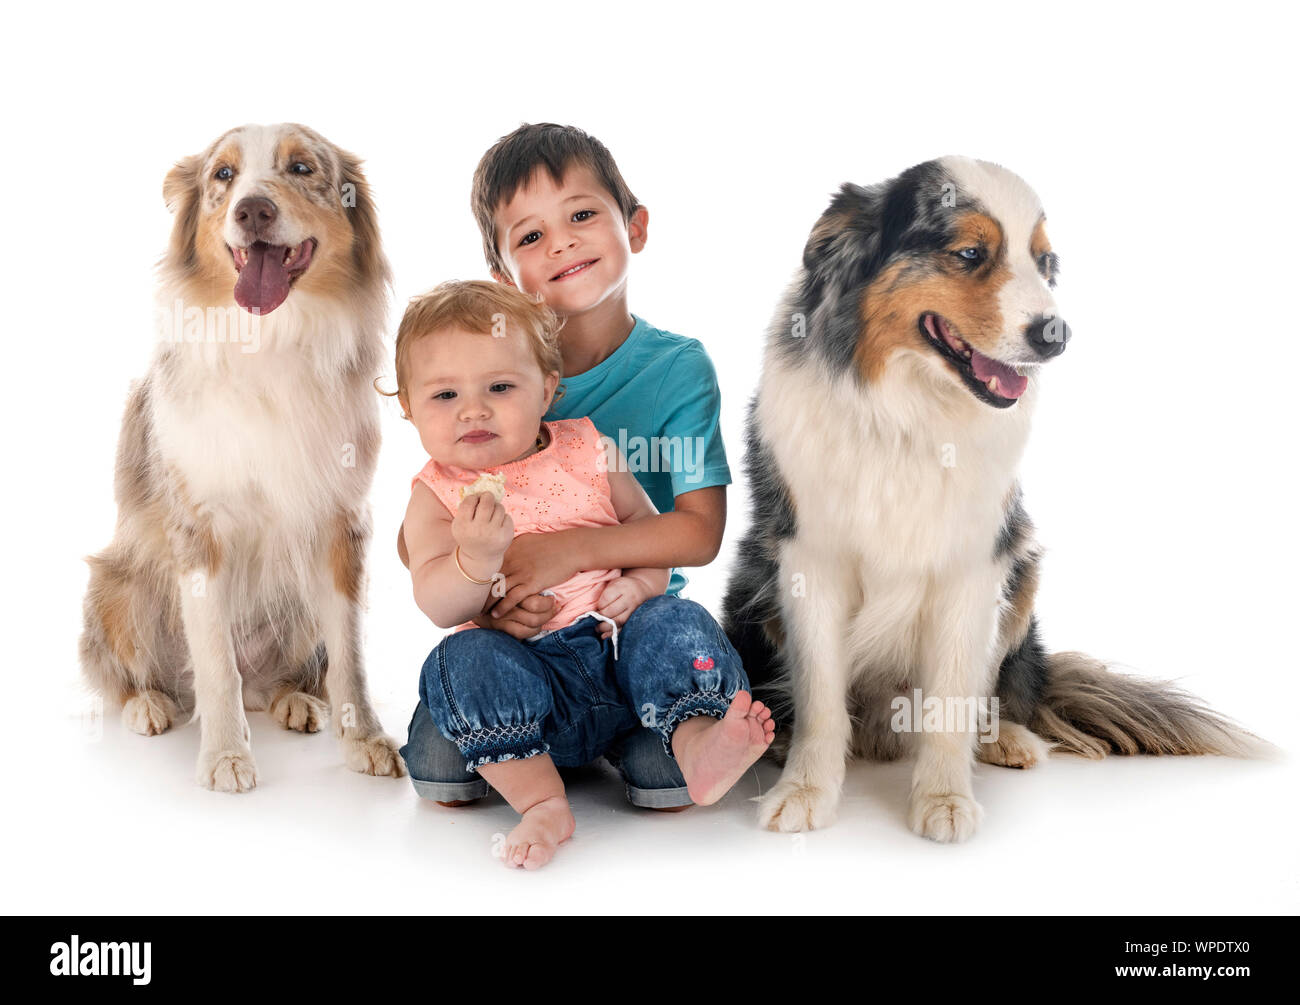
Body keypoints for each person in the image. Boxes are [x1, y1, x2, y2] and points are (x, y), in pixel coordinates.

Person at [397, 122, 743, 812]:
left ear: (635, 226)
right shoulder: (480, 377)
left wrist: (572, 552)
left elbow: (697, 534)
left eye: (582, 215)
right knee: (443, 753)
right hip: (513, 644)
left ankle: (686, 736)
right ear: (503, 280)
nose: (561, 243)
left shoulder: (678, 369)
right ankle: (531, 766)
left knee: (674, 673)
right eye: (530, 236)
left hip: (628, 636)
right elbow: (417, 544)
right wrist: (488, 601)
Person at [389, 280, 773, 868]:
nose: (473, 409)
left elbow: (649, 531)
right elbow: (438, 604)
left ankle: (696, 745)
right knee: (459, 664)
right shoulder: (436, 496)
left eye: (499, 387)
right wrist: (472, 562)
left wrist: (642, 585)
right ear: (408, 407)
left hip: (619, 666)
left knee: (674, 617)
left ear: (546, 390)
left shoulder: (588, 449)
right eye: (444, 395)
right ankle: (542, 800)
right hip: (523, 679)